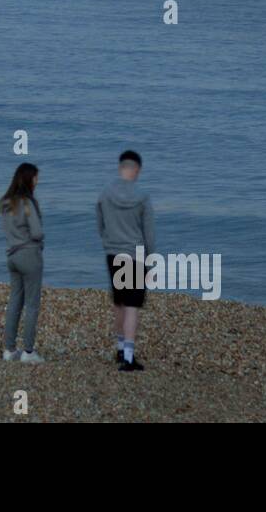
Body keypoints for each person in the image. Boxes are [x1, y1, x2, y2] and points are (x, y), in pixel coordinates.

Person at [96, 150, 155, 372]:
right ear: (137, 169)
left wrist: (109, 242)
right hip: (135, 254)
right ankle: (128, 357)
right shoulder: (142, 196)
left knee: (119, 301)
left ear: (121, 167)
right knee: (132, 305)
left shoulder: (105, 192)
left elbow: (100, 223)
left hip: (113, 253)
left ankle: (120, 348)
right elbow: (149, 232)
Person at [0, 163, 44, 364]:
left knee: (15, 302)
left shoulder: (6, 202)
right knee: (32, 304)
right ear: (28, 179)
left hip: (12, 255)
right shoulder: (27, 203)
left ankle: (9, 349)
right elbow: (36, 231)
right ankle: (28, 351)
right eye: (35, 178)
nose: (37, 181)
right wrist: (40, 240)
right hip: (29, 255)